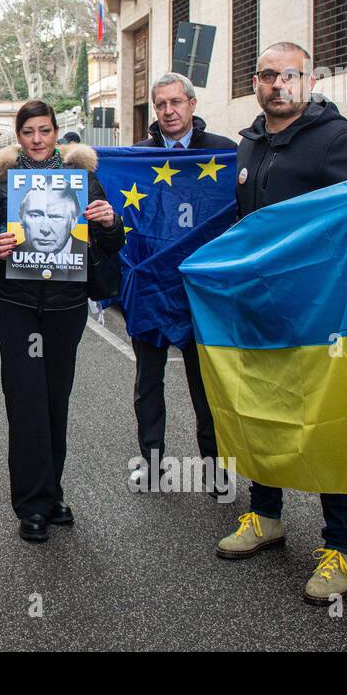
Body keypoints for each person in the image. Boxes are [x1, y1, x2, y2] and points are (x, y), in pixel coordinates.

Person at [214, 41, 347, 606]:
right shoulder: (249, 143)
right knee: (263, 413)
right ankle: (264, 516)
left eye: (288, 76)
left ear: (309, 80)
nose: (277, 85)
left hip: (325, 317)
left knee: (330, 422)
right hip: (262, 312)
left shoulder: (338, 140)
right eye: (267, 75)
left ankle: (340, 547)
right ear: (254, 82)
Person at [0, 100, 124, 543]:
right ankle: (31, 504)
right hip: (15, 305)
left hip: (65, 306)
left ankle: (53, 490)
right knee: (26, 403)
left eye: (45, 131)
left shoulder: (84, 181)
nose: (37, 140)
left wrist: (109, 219)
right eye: (28, 132)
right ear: (17, 137)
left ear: (57, 132)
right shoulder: (2, 185)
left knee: (55, 401)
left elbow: (111, 243)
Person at [128, 73, 237, 492]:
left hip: (203, 291)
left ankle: (214, 467)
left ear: (192, 105)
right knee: (148, 385)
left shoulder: (225, 153)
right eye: (161, 104)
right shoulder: (138, 156)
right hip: (153, 287)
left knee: (207, 385)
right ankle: (152, 463)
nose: (169, 111)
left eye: (176, 102)